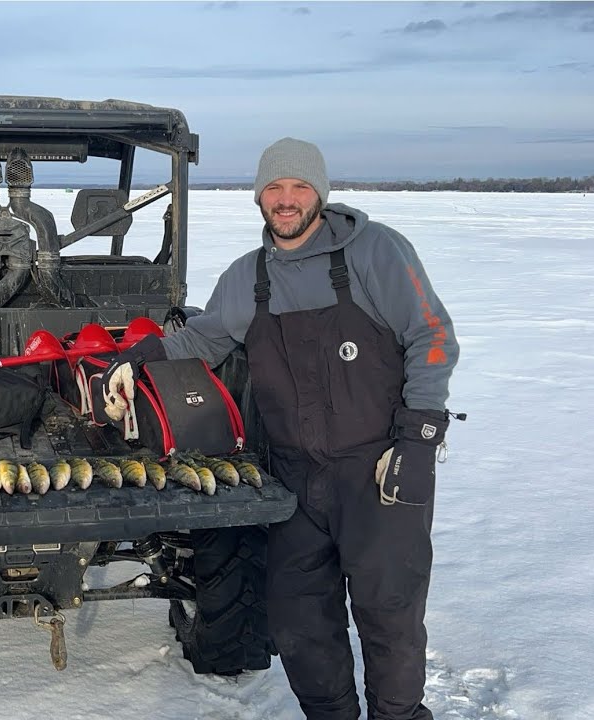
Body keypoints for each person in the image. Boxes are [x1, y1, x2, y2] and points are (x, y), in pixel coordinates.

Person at [102, 137, 460, 720]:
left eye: (298, 188)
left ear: (319, 193)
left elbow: (433, 336)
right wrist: (143, 356)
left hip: (375, 471)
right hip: (291, 476)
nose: (286, 200)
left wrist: (419, 438)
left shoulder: (376, 252)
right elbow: (205, 339)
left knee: (387, 610)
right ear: (259, 197)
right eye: (274, 188)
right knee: (299, 621)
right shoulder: (250, 277)